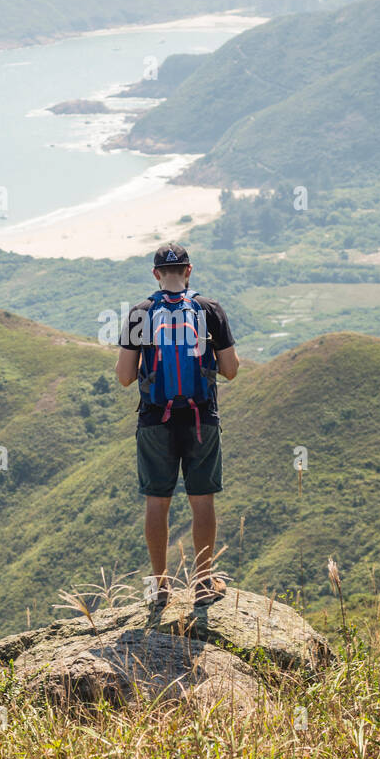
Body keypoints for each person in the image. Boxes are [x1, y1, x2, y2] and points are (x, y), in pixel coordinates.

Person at [116, 242, 239, 607]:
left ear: (156, 274)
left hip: (155, 420)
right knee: (202, 501)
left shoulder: (140, 313)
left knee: (157, 502)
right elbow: (231, 370)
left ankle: (159, 587)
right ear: (189, 271)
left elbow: (124, 377)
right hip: (202, 418)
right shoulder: (209, 310)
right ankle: (202, 582)